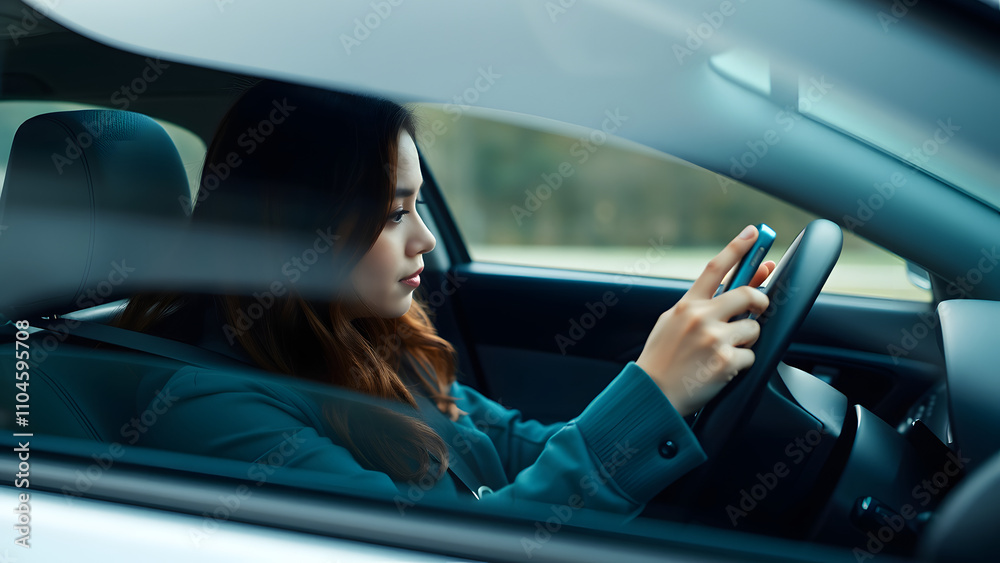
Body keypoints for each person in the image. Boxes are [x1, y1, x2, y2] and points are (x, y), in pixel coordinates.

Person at [114, 80, 773, 519]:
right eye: (393, 212)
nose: (425, 238)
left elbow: (517, 448)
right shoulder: (209, 407)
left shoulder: (371, 338)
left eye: (419, 204)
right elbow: (440, 546)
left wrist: (679, 386)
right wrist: (652, 389)